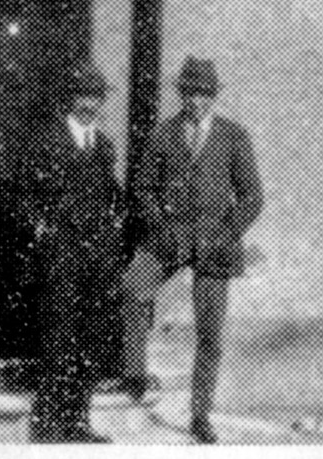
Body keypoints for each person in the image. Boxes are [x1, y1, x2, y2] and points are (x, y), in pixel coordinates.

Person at [117, 56, 263, 445]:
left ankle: (200, 414)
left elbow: (253, 196)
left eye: (203, 94)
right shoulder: (163, 133)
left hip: (216, 242)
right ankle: (134, 375)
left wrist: (229, 232)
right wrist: (159, 225)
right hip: (171, 235)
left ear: (214, 96)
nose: (195, 101)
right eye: (188, 93)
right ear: (180, 93)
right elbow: (143, 189)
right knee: (132, 289)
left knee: (210, 332)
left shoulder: (235, 136)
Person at [22, 61, 124, 443]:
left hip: (96, 257)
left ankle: (78, 421)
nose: (90, 105)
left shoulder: (105, 145)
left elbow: (113, 196)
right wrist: (40, 228)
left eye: (96, 98)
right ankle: (46, 422)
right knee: (59, 337)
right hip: (61, 253)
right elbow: (25, 193)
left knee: (89, 337)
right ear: (72, 99)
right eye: (84, 96)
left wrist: (114, 227)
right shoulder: (47, 141)